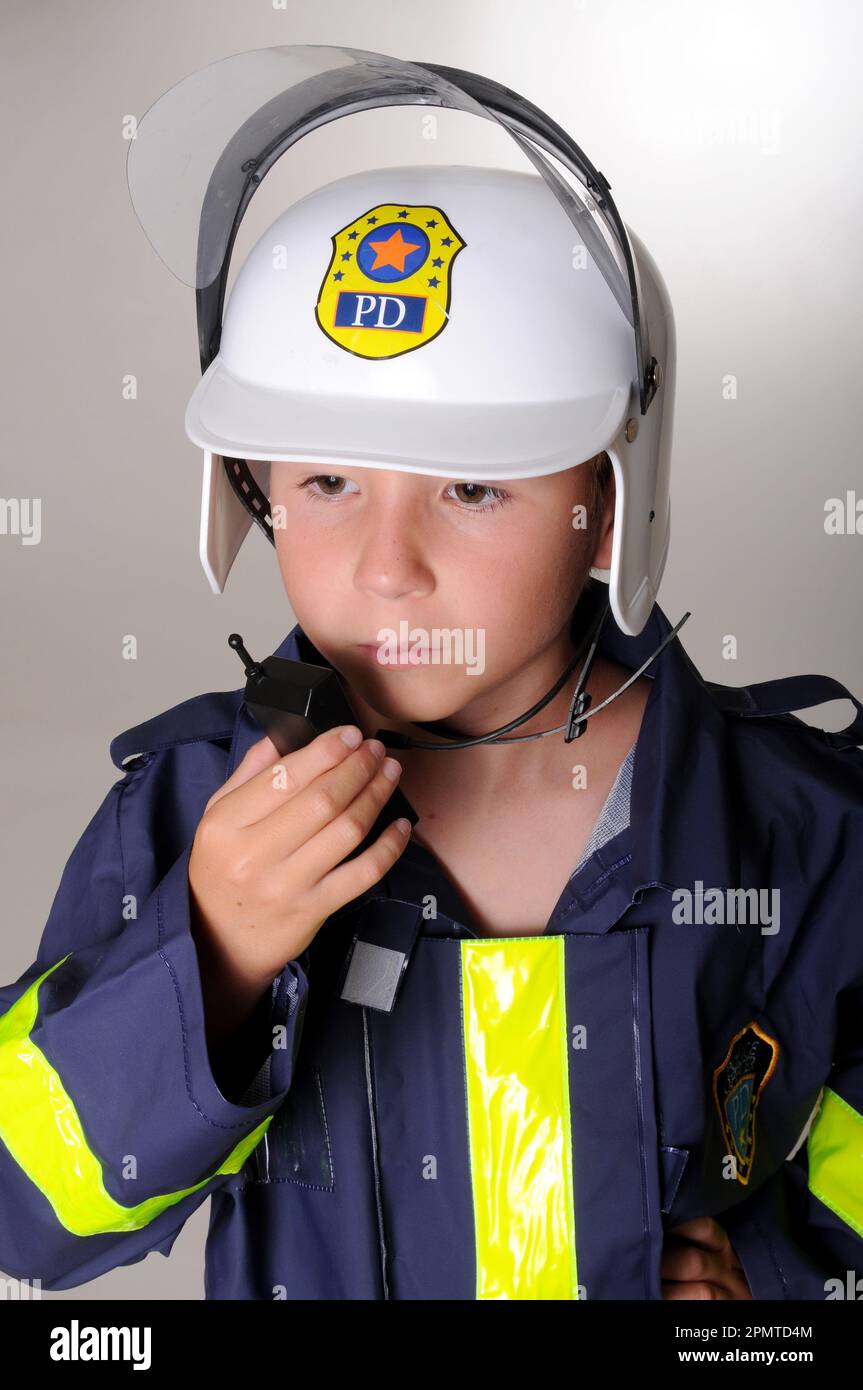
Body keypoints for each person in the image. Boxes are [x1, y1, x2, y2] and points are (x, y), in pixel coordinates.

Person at [2, 51, 862, 1299]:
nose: (385, 568)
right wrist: (213, 957)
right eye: (325, 479)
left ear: (611, 500)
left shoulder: (795, 831)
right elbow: (27, 1211)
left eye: (470, 486)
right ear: (247, 489)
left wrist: (770, 1296)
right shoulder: (191, 819)